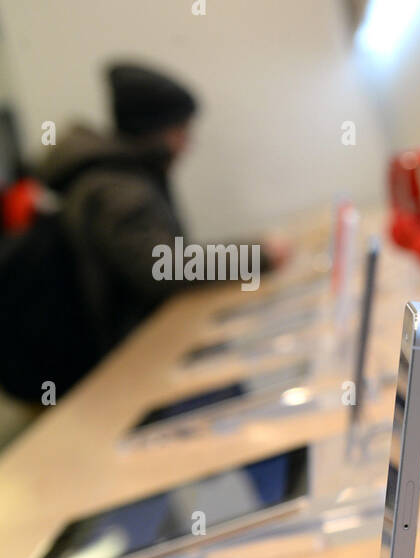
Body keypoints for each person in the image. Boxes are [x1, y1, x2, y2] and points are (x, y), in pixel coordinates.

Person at [34, 61, 292, 359]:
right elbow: (163, 266)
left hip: (145, 346)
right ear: (154, 130)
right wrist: (258, 254)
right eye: (181, 130)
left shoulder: (112, 176)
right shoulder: (115, 188)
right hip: (139, 355)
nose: (187, 145)